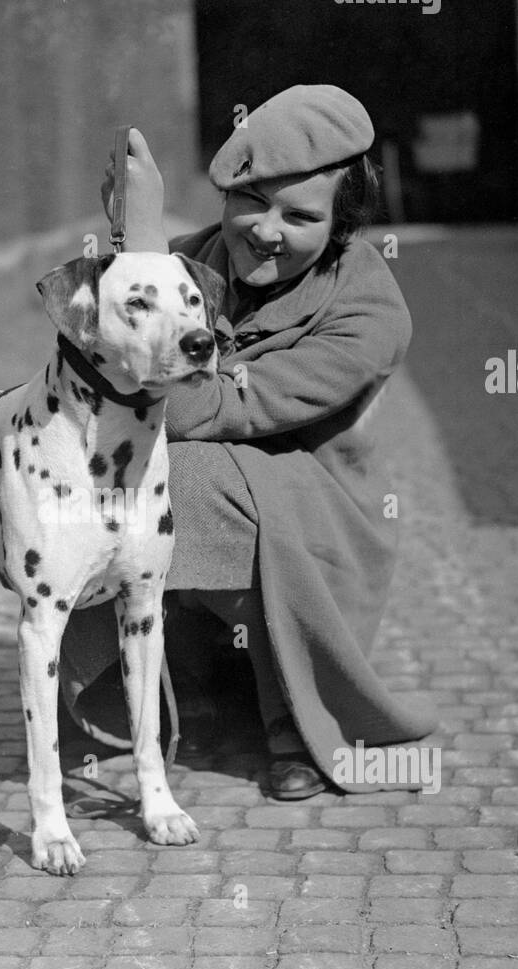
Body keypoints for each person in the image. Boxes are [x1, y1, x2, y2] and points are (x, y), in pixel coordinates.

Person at [58, 85, 437, 799]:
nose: (265, 230)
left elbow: (199, 411)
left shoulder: (366, 309)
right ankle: (193, 685)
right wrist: (132, 262)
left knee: (184, 478)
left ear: (341, 227)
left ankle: (291, 717)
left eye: (299, 216)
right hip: (222, 487)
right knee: (96, 478)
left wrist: (142, 261)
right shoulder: (187, 258)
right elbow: (87, 373)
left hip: (314, 500)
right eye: (249, 201)